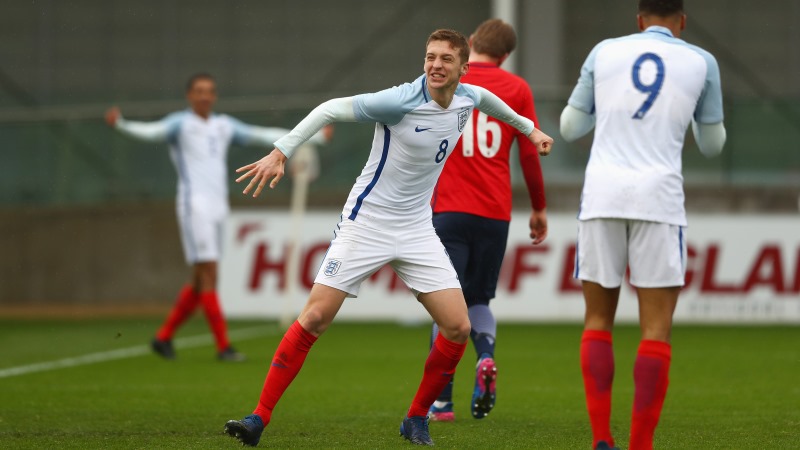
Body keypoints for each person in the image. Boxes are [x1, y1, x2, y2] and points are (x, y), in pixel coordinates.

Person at [223, 29, 553, 447]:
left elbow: (492, 103)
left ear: (462, 69)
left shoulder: (469, 97)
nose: (435, 65)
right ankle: (258, 418)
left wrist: (531, 131)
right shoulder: (399, 101)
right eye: (430, 56)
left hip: (417, 228)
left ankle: (416, 419)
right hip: (368, 223)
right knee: (314, 318)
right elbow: (328, 109)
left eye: (446, 59)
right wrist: (281, 151)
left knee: (457, 326)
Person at [559, 1, 725, 449]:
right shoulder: (701, 62)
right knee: (656, 328)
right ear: (682, 21)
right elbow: (712, 145)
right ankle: (640, 445)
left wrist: (605, 110)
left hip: (602, 196)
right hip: (659, 199)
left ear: (639, 19)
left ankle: (600, 439)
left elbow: (570, 127)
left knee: (597, 319)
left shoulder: (604, 51)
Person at [105, 73, 329, 362]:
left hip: (218, 206)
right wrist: (121, 124)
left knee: (201, 279)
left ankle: (163, 338)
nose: (204, 96)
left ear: (215, 96)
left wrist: (317, 136)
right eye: (199, 91)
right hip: (193, 206)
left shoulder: (223, 126)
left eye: (209, 91)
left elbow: (262, 134)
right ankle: (223, 347)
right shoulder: (180, 124)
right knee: (209, 273)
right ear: (189, 96)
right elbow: (151, 132)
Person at [427, 18, 547, 422]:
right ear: (507, 56)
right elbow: (530, 153)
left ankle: (441, 401)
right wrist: (539, 207)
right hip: (494, 214)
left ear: (471, 43)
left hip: (448, 211)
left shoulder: (446, 76)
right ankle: (487, 357)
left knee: (444, 303)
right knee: (478, 300)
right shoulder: (517, 88)